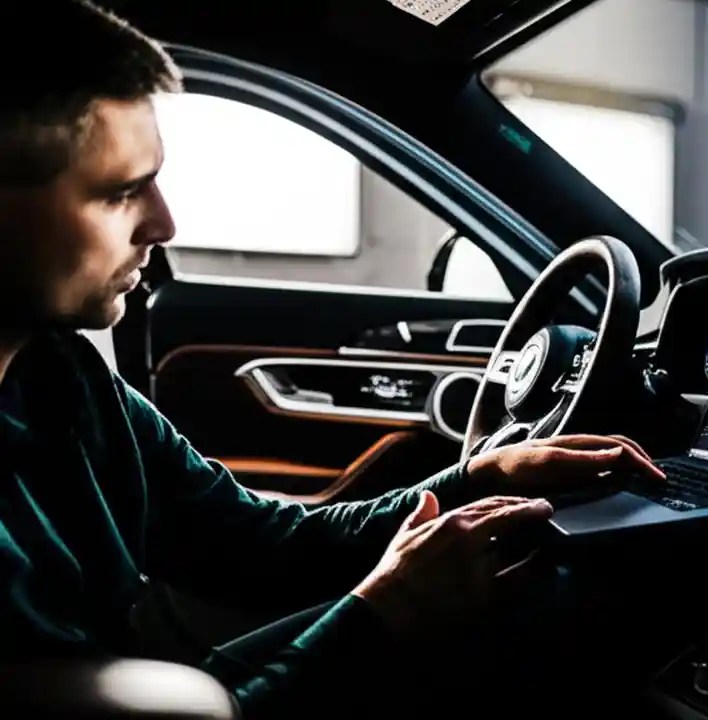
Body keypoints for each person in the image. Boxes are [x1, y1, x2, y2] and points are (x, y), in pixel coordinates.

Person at [0, 1, 665, 716]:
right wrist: (382, 617)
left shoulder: (60, 374)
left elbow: (259, 545)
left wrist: (478, 478)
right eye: (122, 191)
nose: (164, 223)